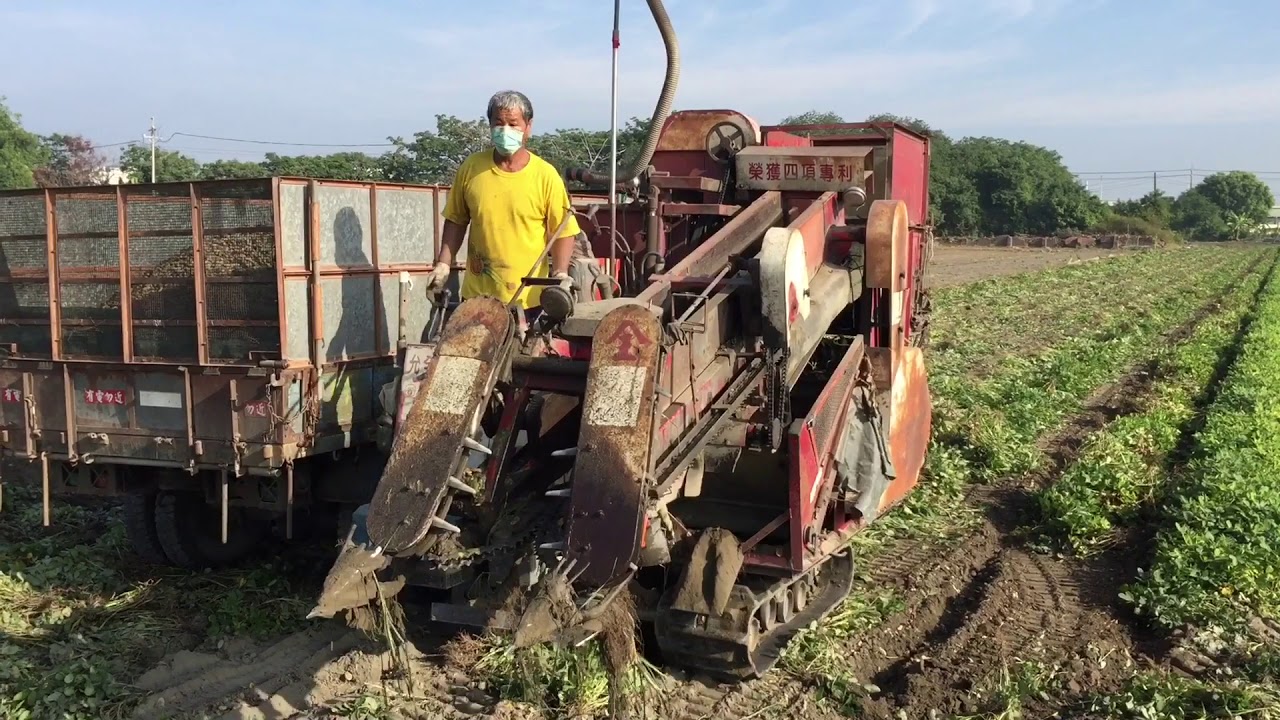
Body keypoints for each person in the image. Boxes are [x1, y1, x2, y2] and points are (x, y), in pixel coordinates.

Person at [425, 90, 581, 324]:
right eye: (498, 124)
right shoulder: (472, 168)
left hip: (529, 301)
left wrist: (560, 274)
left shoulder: (545, 176)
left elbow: (562, 230)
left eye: (513, 123)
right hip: (477, 298)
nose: (505, 130)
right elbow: (456, 219)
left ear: (528, 127)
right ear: (489, 126)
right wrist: (443, 265)